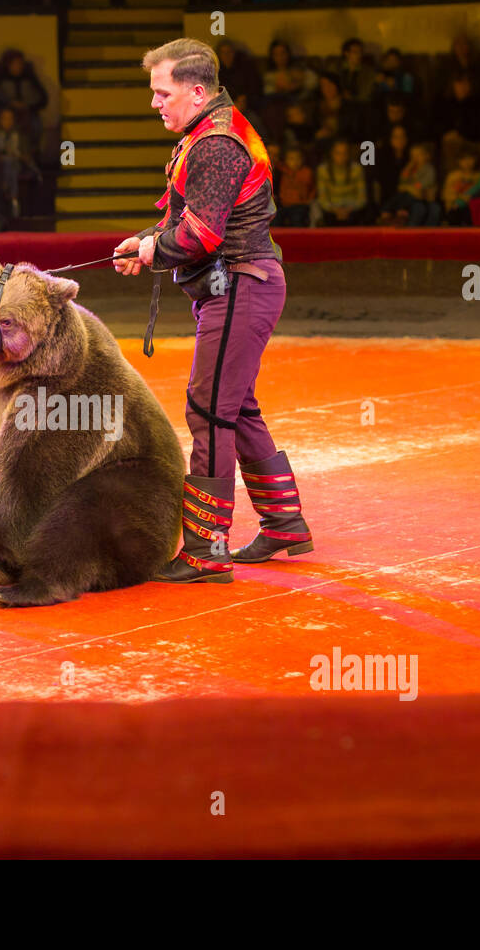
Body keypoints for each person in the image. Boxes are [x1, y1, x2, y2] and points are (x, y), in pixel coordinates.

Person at [112, 38, 314, 583]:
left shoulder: (215, 144)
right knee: (236, 407)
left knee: (208, 411)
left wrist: (152, 250)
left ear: (197, 92)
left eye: (163, 93)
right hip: (242, 283)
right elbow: (186, 221)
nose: (155, 102)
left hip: (241, 286)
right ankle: (284, 523)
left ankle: (205, 549)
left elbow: (201, 235)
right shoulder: (211, 131)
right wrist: (144, 242)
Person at [313, 138, 368, 225]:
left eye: (344, 153)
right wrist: (335, 210)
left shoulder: (357, 169)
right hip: (331, 208)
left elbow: (362, 198)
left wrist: (349, 209)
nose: (341, 157)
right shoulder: (323, 170)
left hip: (352, 208)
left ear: (348, 154)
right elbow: (322, 197)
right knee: (316, 207)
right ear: (332, 154)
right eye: (338, 153)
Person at [275, 146, 315, 226]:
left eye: (298, 159)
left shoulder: (306, 173)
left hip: (300, 205)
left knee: (297, 219)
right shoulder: (283, 171)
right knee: (275, 218)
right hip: (283, 205)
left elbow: (312, 188)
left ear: (302, 160)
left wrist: (308, 201)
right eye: (291, 159)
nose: (295, 162)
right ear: (285, 160)